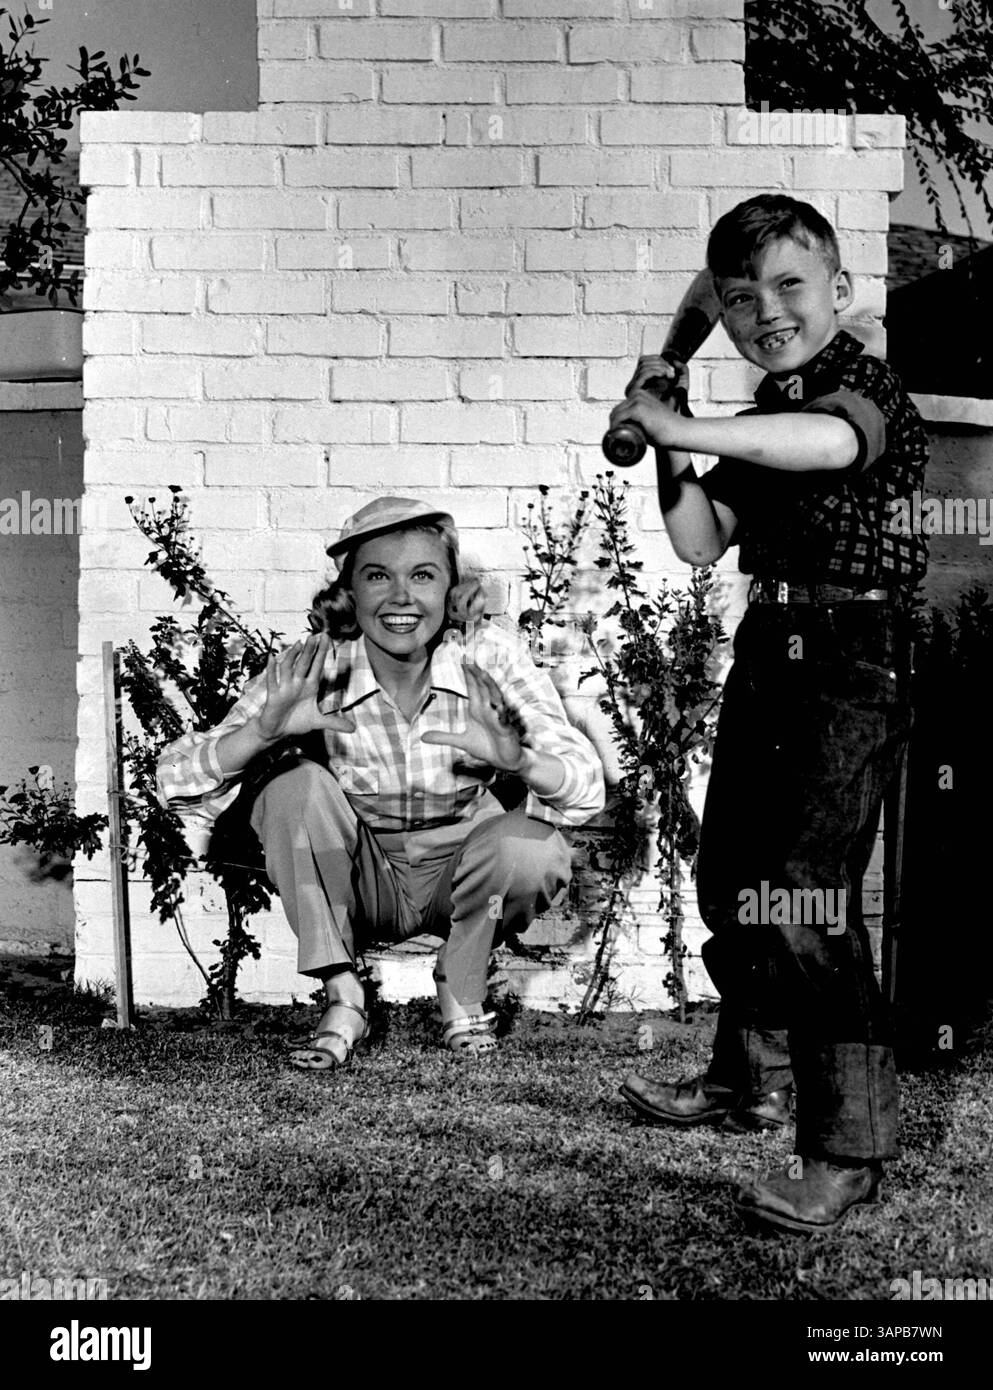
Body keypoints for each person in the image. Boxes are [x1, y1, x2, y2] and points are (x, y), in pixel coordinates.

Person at [608, 195, 928, 1234]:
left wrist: (679, 416)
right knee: (733, 872)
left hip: (855, 660)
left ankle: (848, 1149)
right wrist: (666, 441)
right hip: (772, 650)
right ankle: (752, 1079)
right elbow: (701, 541)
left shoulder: (866, 389)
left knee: (804, 893)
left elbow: (828, 448)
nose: (764, 311)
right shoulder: (755, 425)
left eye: (790, 286)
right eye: (741, 300)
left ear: (839, 290)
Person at [156, 497, 605, 1068]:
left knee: (533, 848)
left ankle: (462, 987)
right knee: (293, 787)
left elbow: (586, 787)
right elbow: (172, 780)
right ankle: (344, 997)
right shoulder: (315, 663)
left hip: (463, 873)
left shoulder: (489, 655)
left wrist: (518, 759)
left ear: (451, 589)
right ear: (347, 592)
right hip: (361, 877)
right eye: (376, 576)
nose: (400, 597)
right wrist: (260, 735)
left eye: (423, 575)